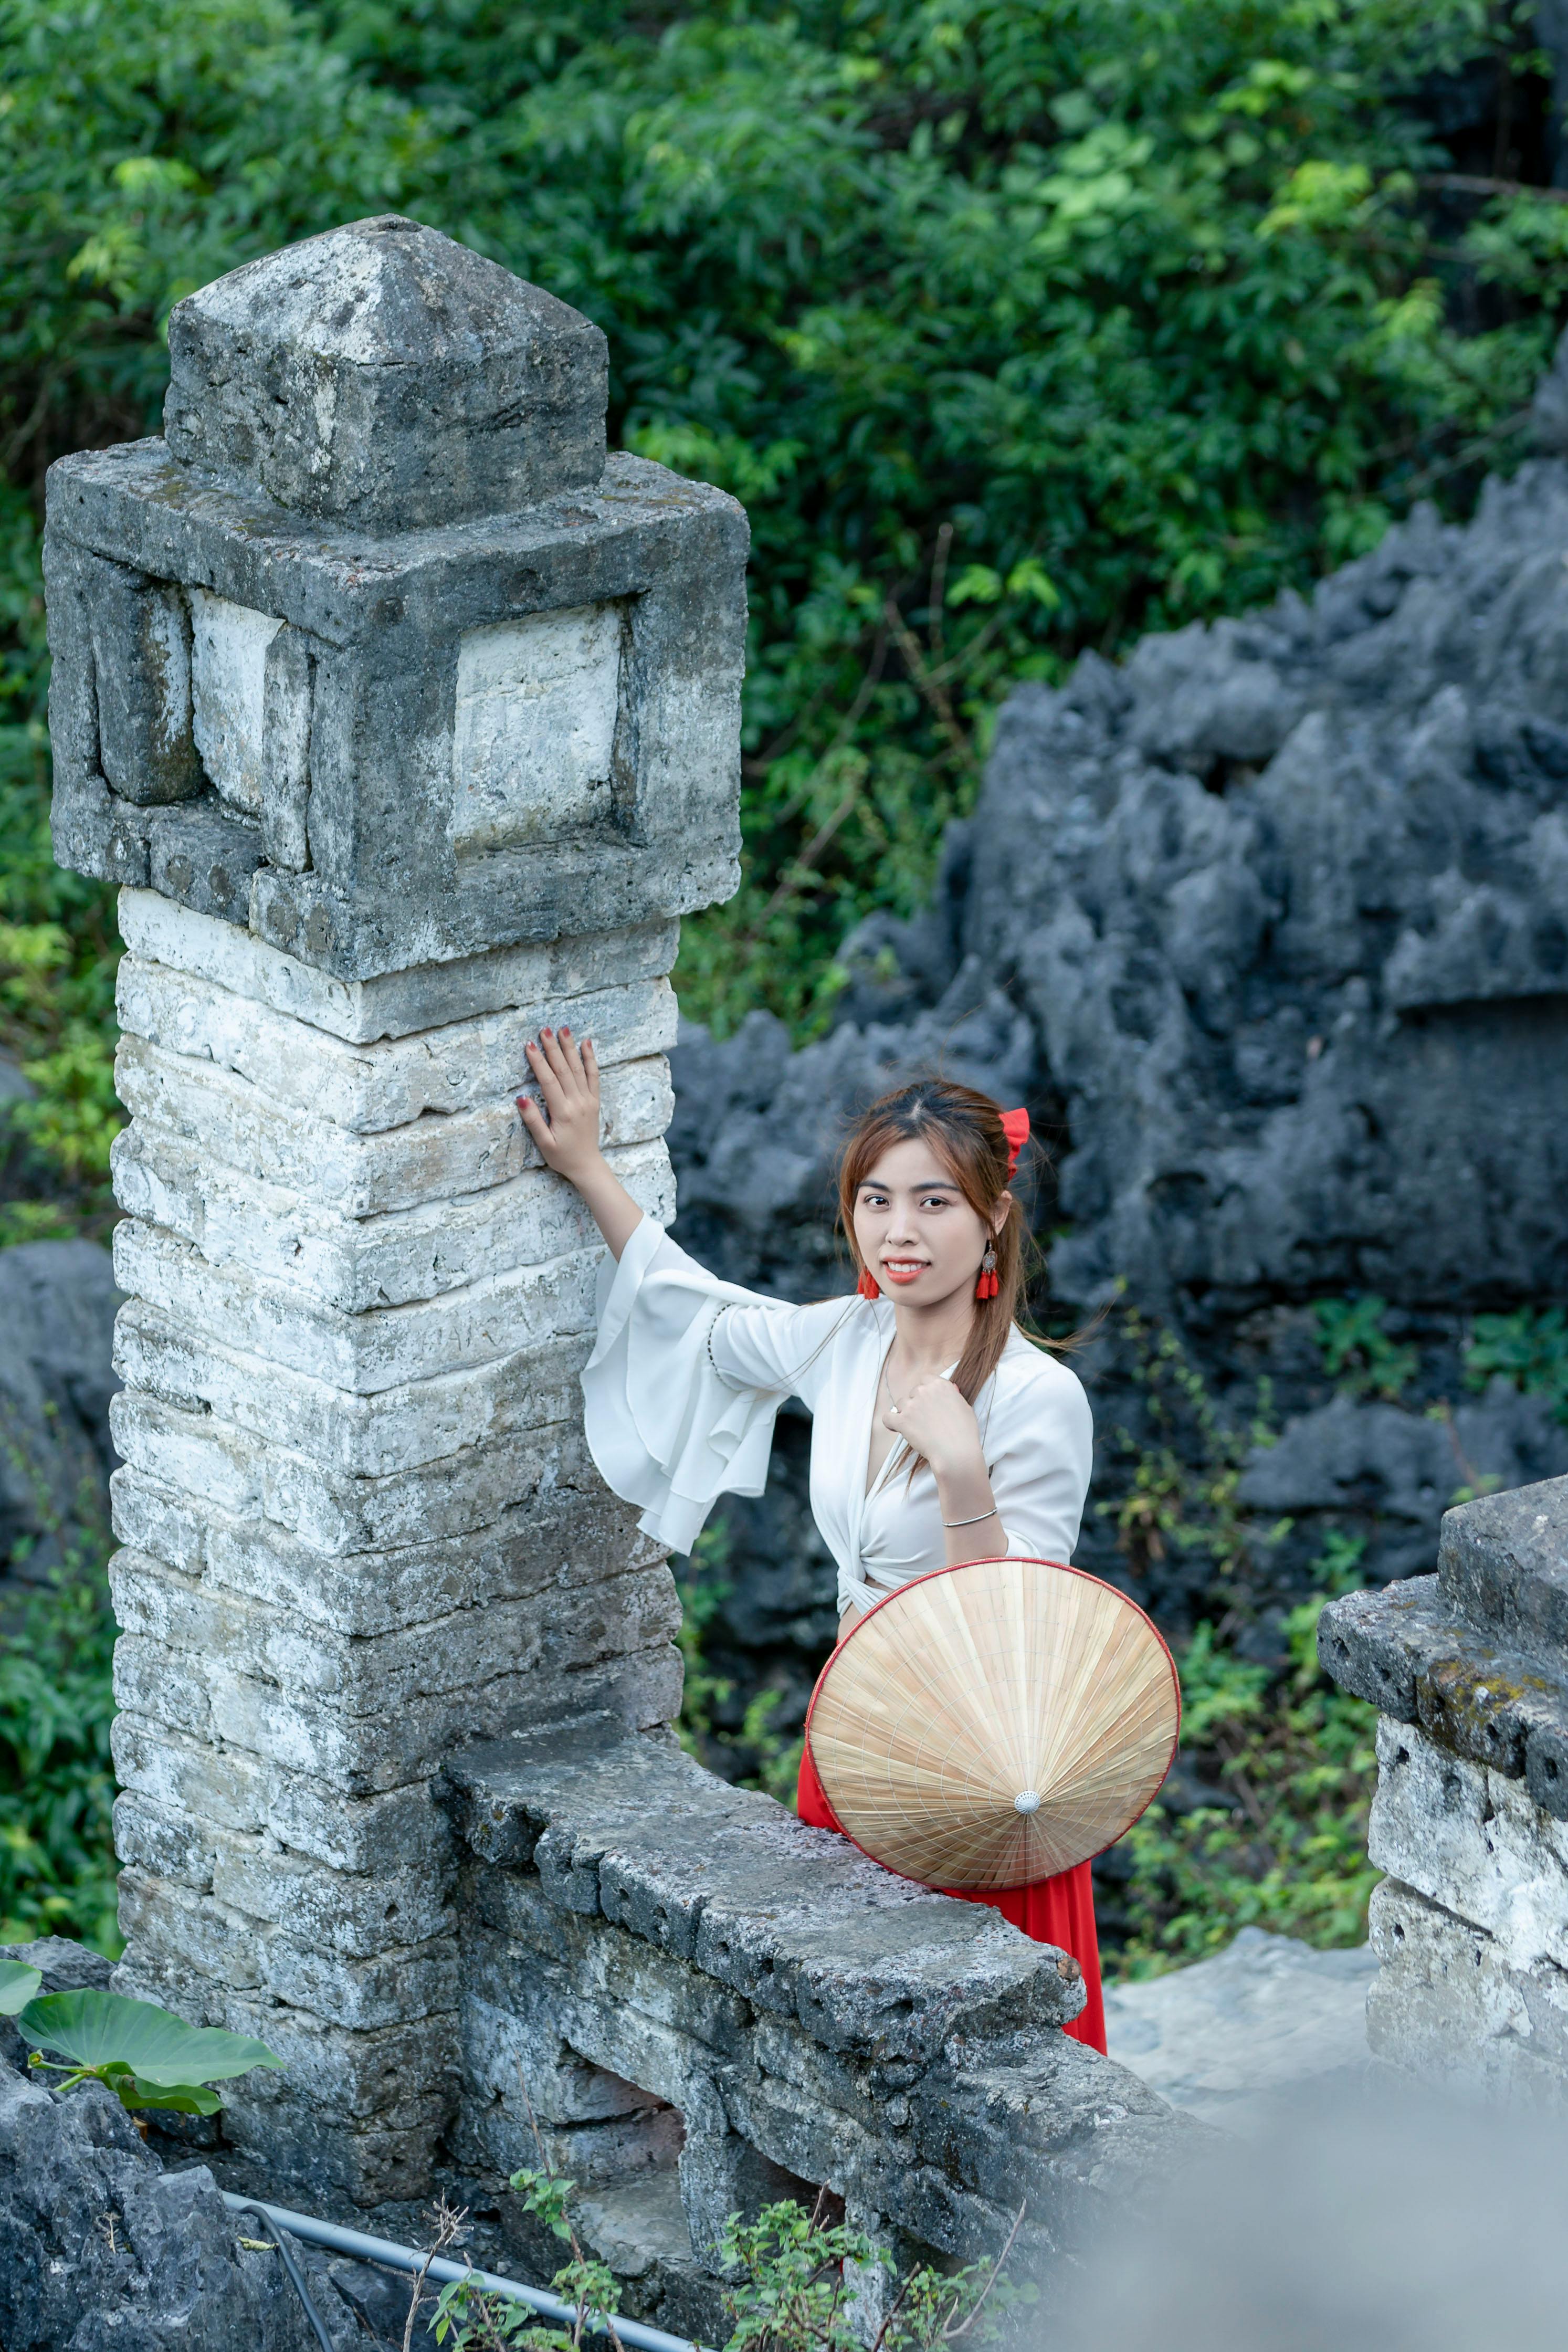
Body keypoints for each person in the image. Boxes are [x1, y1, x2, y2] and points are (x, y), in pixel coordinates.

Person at [518, 1025, 1103, 2050]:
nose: (899, 1228)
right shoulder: (846, 1337)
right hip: (854, 1723)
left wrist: (962, 1469)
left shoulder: (1039, 1398)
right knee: (841, 2017)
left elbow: (1023, 1631)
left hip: (973, 1756)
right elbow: (695, 1315)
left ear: (994, 1217)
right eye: (877, 1199)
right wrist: (585, 1167)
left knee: (971, 2044)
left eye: (935, 1200)